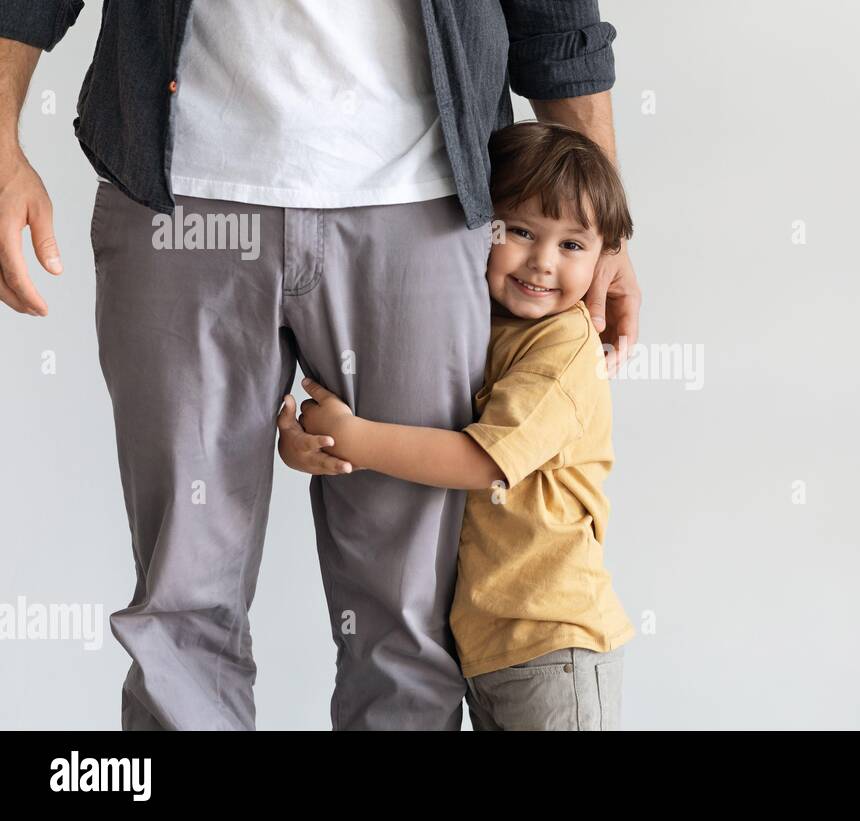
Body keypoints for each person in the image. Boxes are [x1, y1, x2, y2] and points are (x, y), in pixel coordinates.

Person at [0, 0, 642, 731]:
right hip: (177, 192)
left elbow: (554, 16)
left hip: (421, 200)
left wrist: (601, 226)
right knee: (180, 601)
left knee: (406, 622)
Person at [282, 121, 635, 730]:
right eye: (520, 231)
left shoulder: (566, 346)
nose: (543, 262)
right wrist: (308, 438)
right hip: (490, 647)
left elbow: (482, 460)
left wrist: (359, 439)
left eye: (572, 245)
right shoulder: (477, 324)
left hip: (555, 642)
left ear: (607, 258)